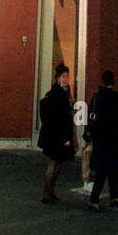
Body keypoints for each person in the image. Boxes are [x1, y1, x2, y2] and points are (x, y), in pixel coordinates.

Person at [86, 70, 118, 210]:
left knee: (102, 171)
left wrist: (90, 136)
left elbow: (91, 116)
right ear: (112, 82)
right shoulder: (115, 97)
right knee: (113, 168)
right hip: (115, 138)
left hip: (101, 138)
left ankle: (94, 200)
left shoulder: (96, 97)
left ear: (102, 81)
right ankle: (114, 197)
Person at [37, 63, 76, 204]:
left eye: (67, 76)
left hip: (59, 134)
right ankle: (46, 192)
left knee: (59, 162)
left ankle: (51, 190)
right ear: (58, 78)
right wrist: (65, 137)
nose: (66, 79)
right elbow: (58, 117)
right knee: (54, 162)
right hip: (56, 135)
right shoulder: (56, 94)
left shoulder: (65, 92)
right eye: (63, 77)